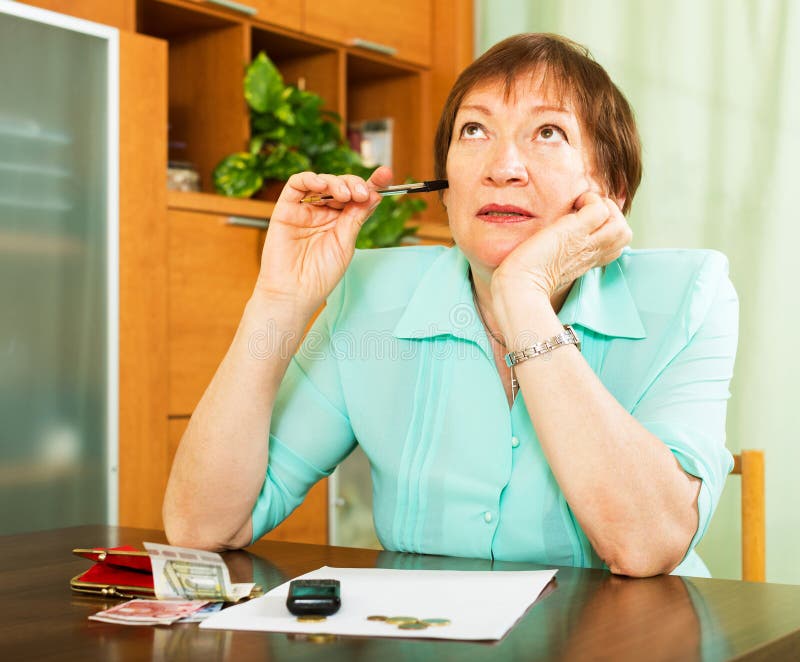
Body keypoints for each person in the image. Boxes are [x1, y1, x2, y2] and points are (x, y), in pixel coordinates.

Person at [163, 33, 738, 578]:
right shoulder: (371, 296)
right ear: (446, 185)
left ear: (611, 189)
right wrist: (278, 301)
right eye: (474, 131)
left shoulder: (690, 294)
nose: (502, 167)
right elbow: (203, 527)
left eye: (548, 133)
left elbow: (647, 545)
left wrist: (523, 294)